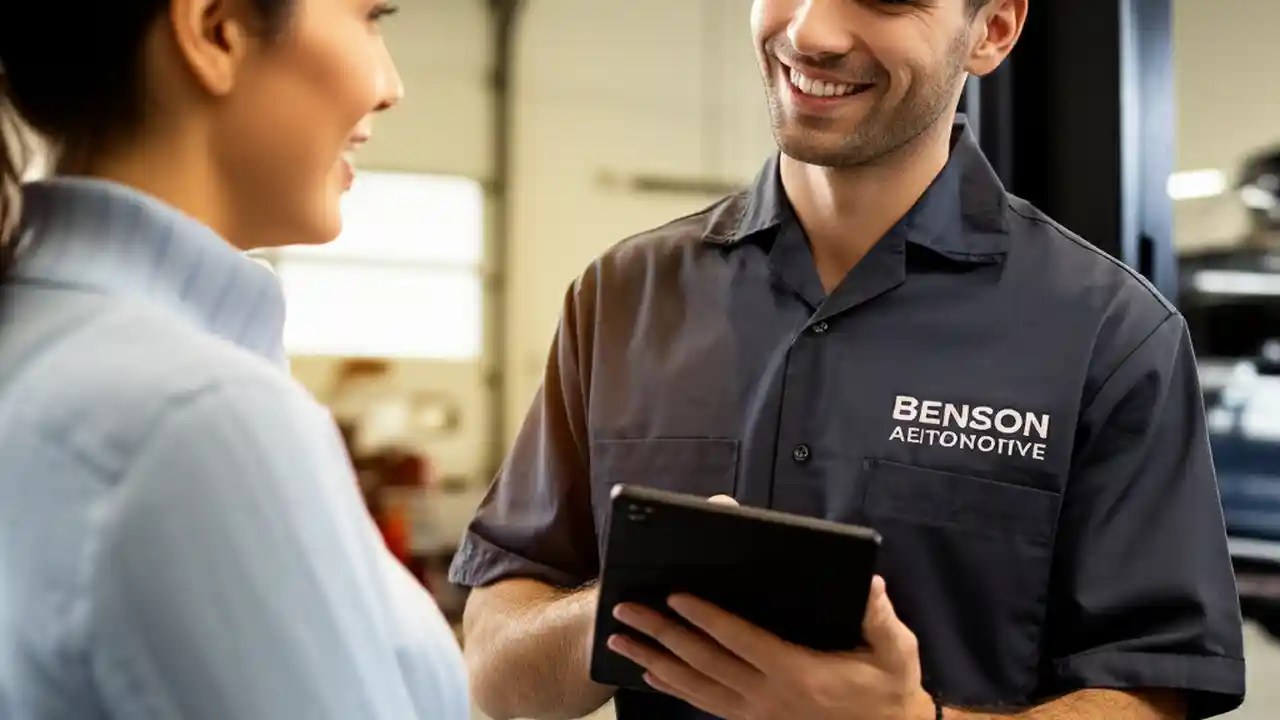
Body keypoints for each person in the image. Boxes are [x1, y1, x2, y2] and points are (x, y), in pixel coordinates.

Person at [451, 1, 1247, 719]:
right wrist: (634, 601)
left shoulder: (1111, 333)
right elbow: (495, 671)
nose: (811, 32)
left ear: (994, 30)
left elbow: (1151, 694)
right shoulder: (623, 295)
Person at [0, 2, 468, 719]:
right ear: (216, 29)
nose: (390, 84)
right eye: (370, 17)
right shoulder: (195, 417)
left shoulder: (40, 338)